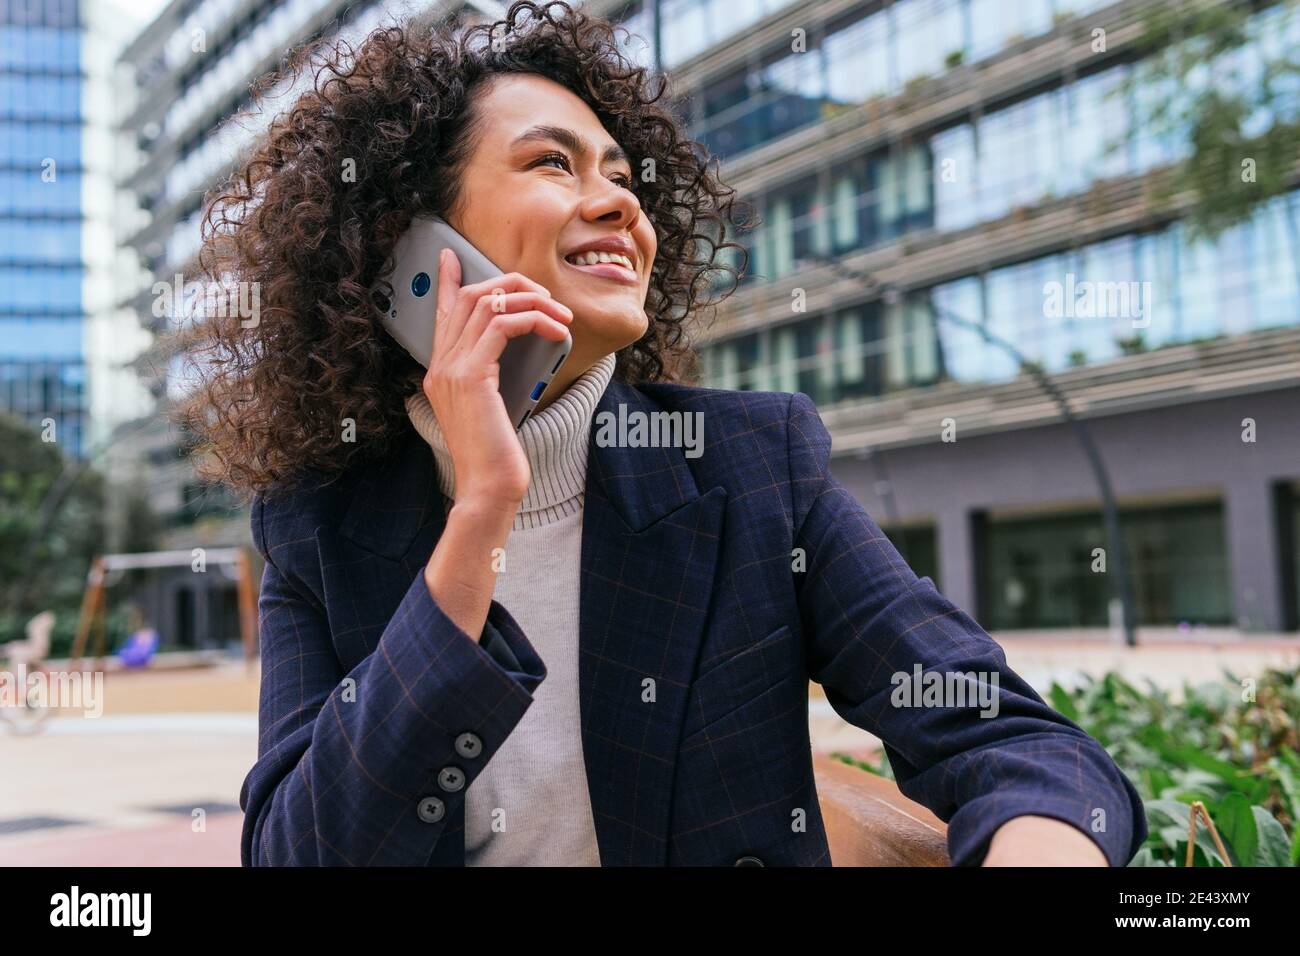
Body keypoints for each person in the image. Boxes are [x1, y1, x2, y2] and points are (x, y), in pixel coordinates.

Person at [185, 0, 1147, 866]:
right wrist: (480, 514)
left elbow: (1001, 736)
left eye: (622, 174)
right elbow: (298, 854)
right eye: (552, 163)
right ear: (413, 245)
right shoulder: (318, 526)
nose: (621, 205)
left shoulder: (755, 469)